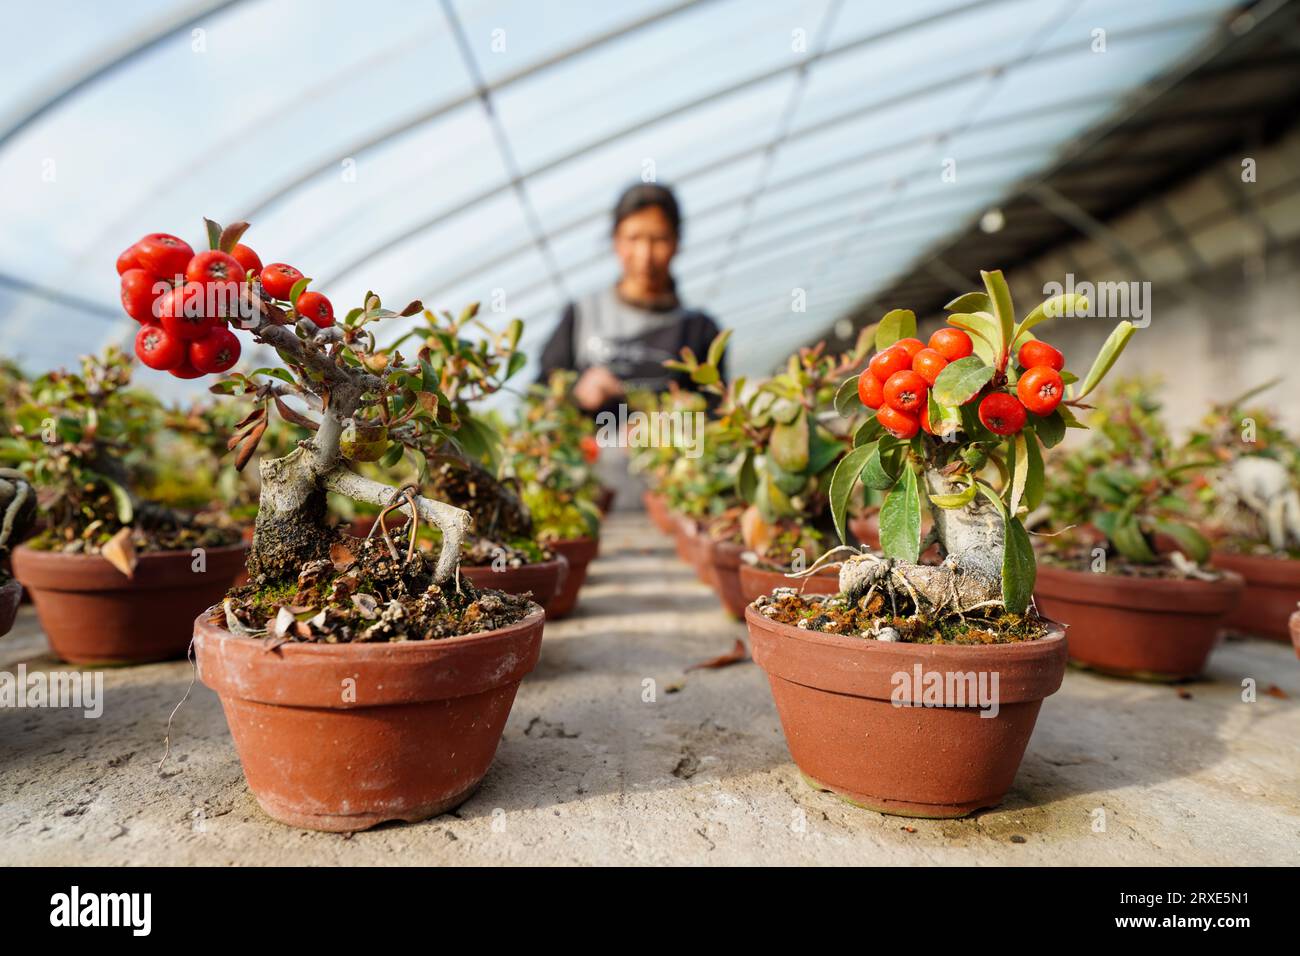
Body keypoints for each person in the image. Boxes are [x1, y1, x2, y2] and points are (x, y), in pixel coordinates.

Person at [537, 183, 725, 418]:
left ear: (676, 243)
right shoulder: (581, 315)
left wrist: (665, 425)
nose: (644, 255)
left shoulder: (699, 330)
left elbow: (714, 414)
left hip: (666, 453)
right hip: (588, 453)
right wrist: (576, 396)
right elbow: (538, 400)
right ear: (616, 241)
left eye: (658, 239)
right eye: (633, 238)